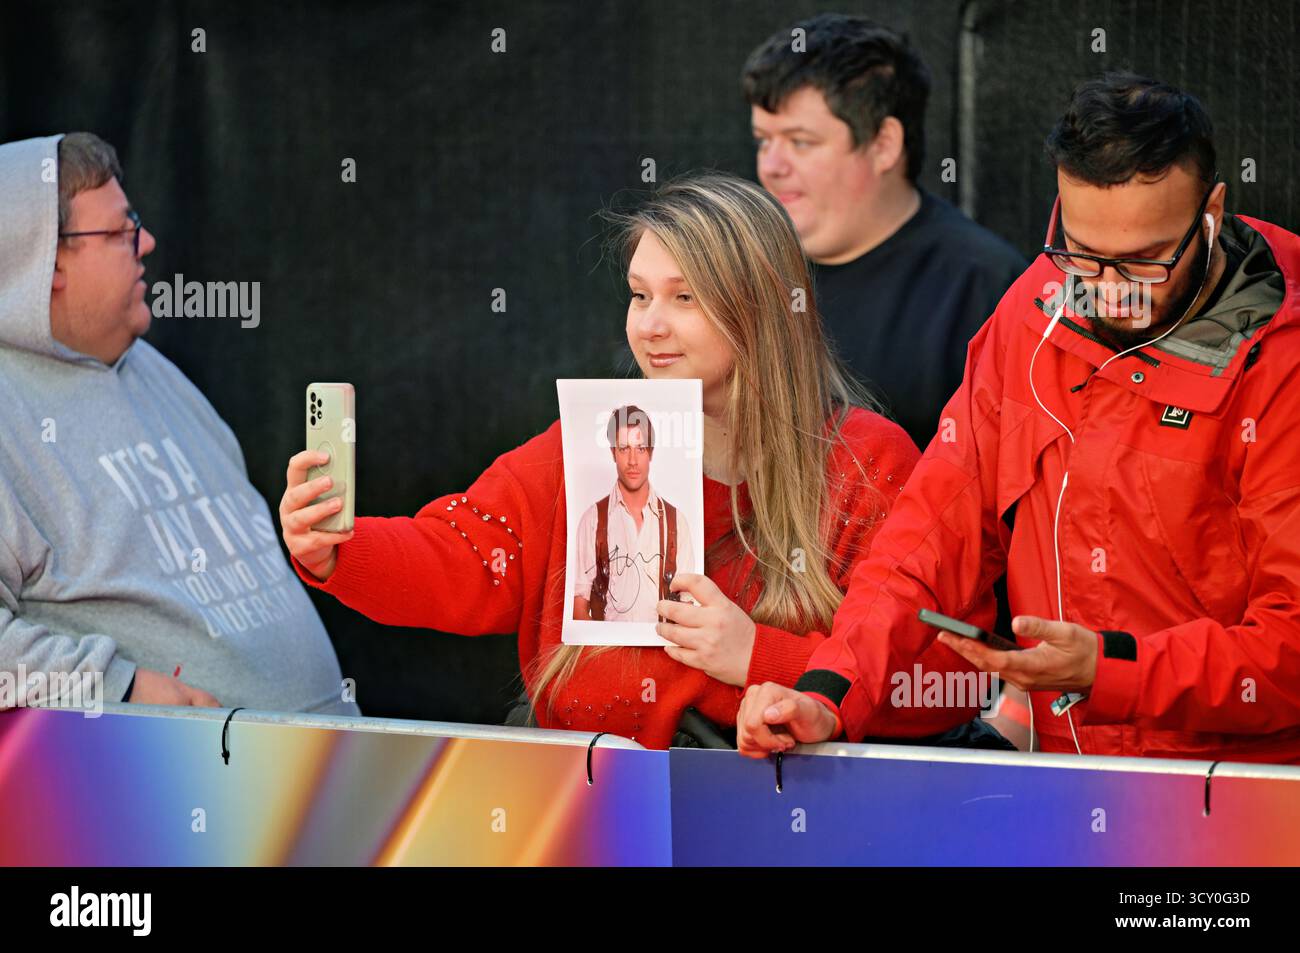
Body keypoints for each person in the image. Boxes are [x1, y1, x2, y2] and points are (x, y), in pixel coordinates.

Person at [280, 172, 978, 749]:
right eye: (640, 295)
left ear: (761, 310)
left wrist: (759, 658)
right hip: (594, 812)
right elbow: (466, 558)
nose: (649, 325)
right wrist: (337, 548)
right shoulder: (593, 439)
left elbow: (947, 682)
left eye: (684, 299)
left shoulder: (865, 460)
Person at [737, 73, 1300, 763]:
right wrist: (828, 690)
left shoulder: (1282, 365)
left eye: (1147, 262)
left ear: (1211, 213)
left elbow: (1291, 642)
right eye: (1083, 254)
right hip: (1064, 780)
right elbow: (929, 537)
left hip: (1242, 794)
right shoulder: (1032, 310)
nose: (1111, 293)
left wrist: (1110, 668)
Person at [0, 132, 358, 715]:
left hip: (318, 771)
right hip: (178, 789)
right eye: (119, 230)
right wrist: (113, 686)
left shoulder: (154, 371)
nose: (146, 241)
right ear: (49, 258)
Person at [743, 13, 1025, 448]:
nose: (771, 166)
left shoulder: (986, 289)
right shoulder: (738, 268)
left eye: (801, 142)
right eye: (764, 140)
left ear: (883, 144)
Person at [572, 405, 696, 624]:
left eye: (640, 449)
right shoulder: (592, 520)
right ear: (613, 453)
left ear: (651, 453)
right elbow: (578, 611)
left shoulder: (676, 522)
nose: (632, 460)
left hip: (662, 653)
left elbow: (687, 609)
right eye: (623, 448)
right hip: (608, 654)